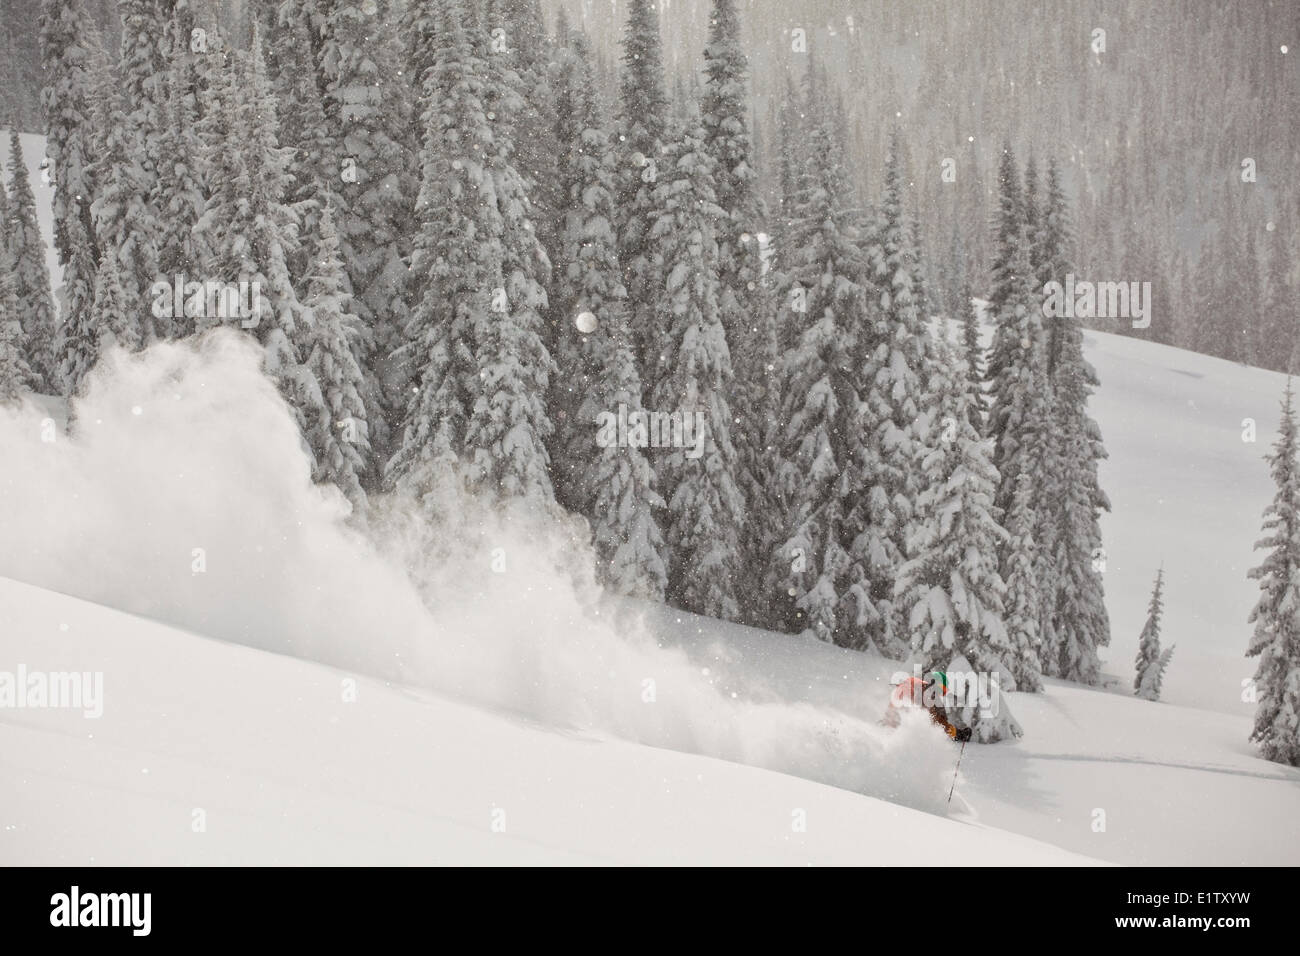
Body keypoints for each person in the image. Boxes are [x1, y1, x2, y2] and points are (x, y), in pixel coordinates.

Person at [884, 671, 973, 742]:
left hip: (894, 726)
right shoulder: (927, 692)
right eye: (943, 689)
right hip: (905, 732)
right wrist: (958, 734)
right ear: (937, 685)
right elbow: (938, 722)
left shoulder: (916, 686)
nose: (942, 693)